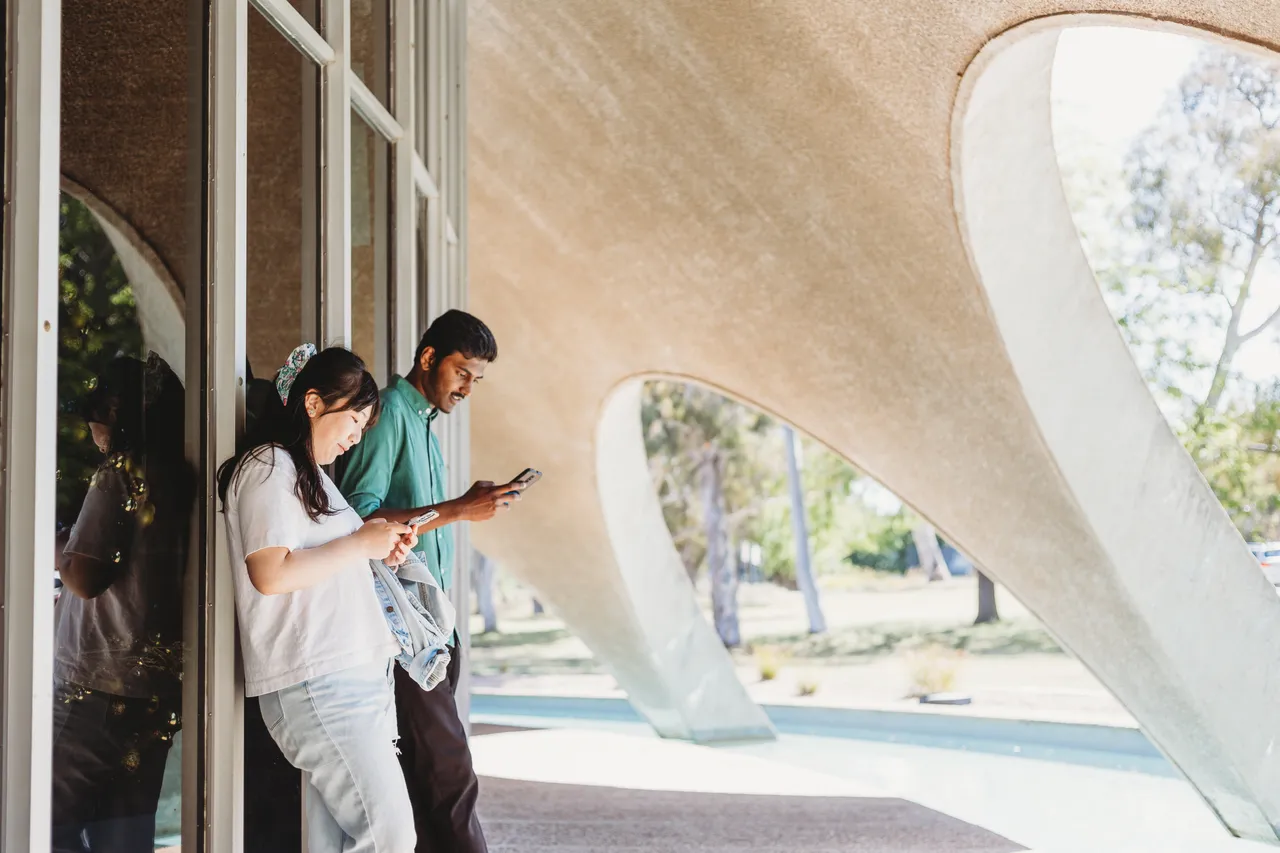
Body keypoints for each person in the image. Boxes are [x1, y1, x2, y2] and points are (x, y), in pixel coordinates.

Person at [217, 344, 418, 853]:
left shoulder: (307, 475)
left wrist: (375, 546)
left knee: (333, 842)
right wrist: (358, 543)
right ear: (312, 403)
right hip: (321, 684)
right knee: (390, 835)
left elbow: (321, 562)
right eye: (354, 420)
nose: (355, 437)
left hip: (344, 679)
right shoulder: (268, 466)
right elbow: (270, 573)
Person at [340, 310, 519, 853]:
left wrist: (458, 507)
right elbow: (357, 516)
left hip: (432, 629)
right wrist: (459, 508)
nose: (468, 387)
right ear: (428, 359)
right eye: (462, 372)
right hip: (401, 636)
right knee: (449, 778)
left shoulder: (422, 422)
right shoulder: (391, 412)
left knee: (428, 786)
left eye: (477, 379)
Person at [52, 353, 193, 853]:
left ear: (113, 411)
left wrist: (53, 538)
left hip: (95, 683)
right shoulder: (181, 473)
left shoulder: (123, 472)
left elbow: (86, 576)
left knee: (44, 821)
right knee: (125, 834)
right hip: (152, 688)